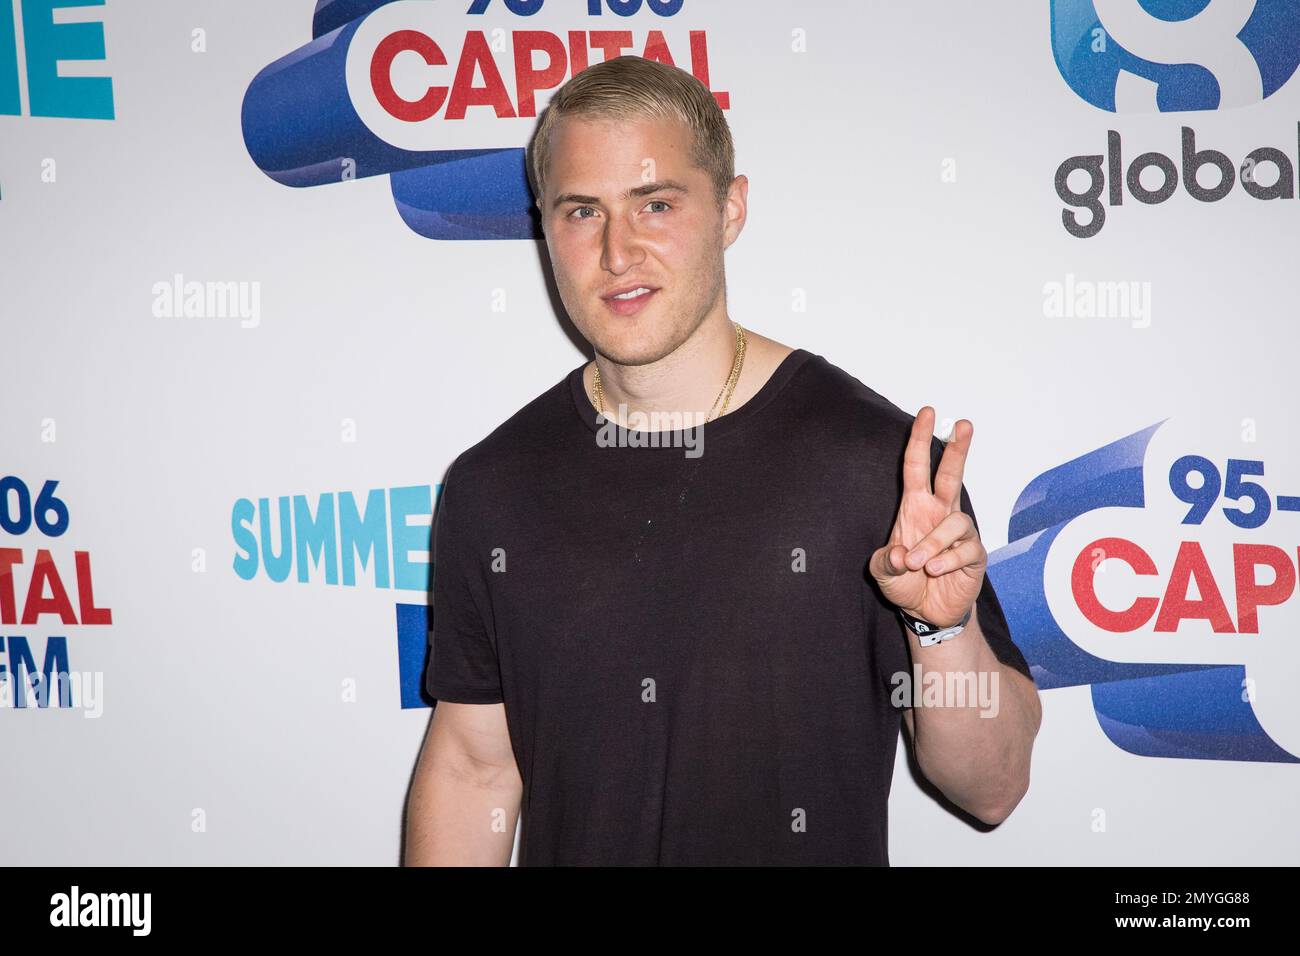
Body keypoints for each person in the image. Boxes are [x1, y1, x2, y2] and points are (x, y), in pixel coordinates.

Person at [404, 55, 1041, 866]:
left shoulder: (879, 464)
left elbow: (993, 786)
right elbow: (472, 769)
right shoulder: (493, 487)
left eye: (656, 204)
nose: (617, 252)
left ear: (731, 209)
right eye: (580, 212)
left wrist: (939, 629)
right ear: (544, 229)